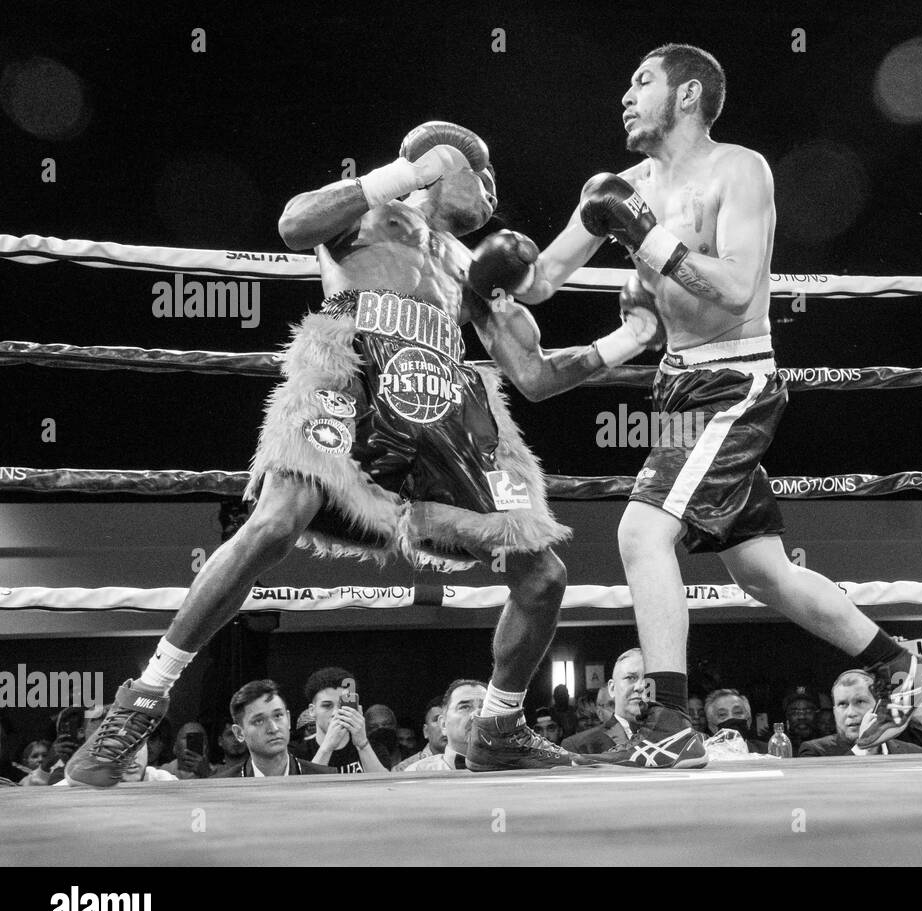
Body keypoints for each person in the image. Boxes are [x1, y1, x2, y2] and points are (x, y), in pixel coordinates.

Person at [67, 120, 664, 786]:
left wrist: (632, 337)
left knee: (543, 575)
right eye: (483, 172)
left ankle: (499, 726)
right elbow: (294, 225)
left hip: (442, 403)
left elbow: (533, 376)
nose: (494, 191)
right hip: (350, 368)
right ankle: (141, 703)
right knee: (275, 519)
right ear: (441, 163)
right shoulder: (368, 212)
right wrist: (403, 173)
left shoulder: (473, 265)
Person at [522, 43, 922, 768]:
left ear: (688, 96)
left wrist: (645, 238)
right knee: (762, 571)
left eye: (641, 79)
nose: (625, 95)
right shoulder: (619, 185)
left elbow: (740, 287)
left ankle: (668, 722)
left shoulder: (738, 170)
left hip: (733, 380)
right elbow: (543, 279)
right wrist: (472, 265)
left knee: (640, 534)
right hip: (677, 384)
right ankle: (899, 664)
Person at [213, 680, 335, 778]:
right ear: (239, 733)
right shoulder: (220, 786)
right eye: (259, 721)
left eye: (278, 716)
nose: (273, 728)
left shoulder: (328, 778)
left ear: (287, 718)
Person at [799, 670, 922, 757]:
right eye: (842, 704)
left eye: (860, 702)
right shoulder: (814, 753)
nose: (850, 713)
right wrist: (864, 747)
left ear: (879, 706)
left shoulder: (915, 754)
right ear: (834, 711)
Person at [290, 667, 389, 773]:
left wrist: (362, 744)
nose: (335, 713)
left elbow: (386, 786)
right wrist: (327, 748)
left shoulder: (374, 748)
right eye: (327, 706)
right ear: (312, 711)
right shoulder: (296, 752)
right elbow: (302, 787)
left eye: (343, 705)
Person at [561, 648, 645, 754]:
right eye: (630, 678)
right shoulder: (579, 745)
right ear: (612, 688)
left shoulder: (670, 735)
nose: (640, 686)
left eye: (647, 679)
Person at [402, 679, 486, 771]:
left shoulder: (504, 768)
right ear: (443, 724)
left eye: (485, 707)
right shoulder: (417, 772)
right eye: (465, 707)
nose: (476, 714)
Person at [393, 698, 447, 770]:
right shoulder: (404, 769)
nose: (444, 725)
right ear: (426, 731)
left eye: (449, 718)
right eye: (436, 720)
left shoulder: (466, 764)